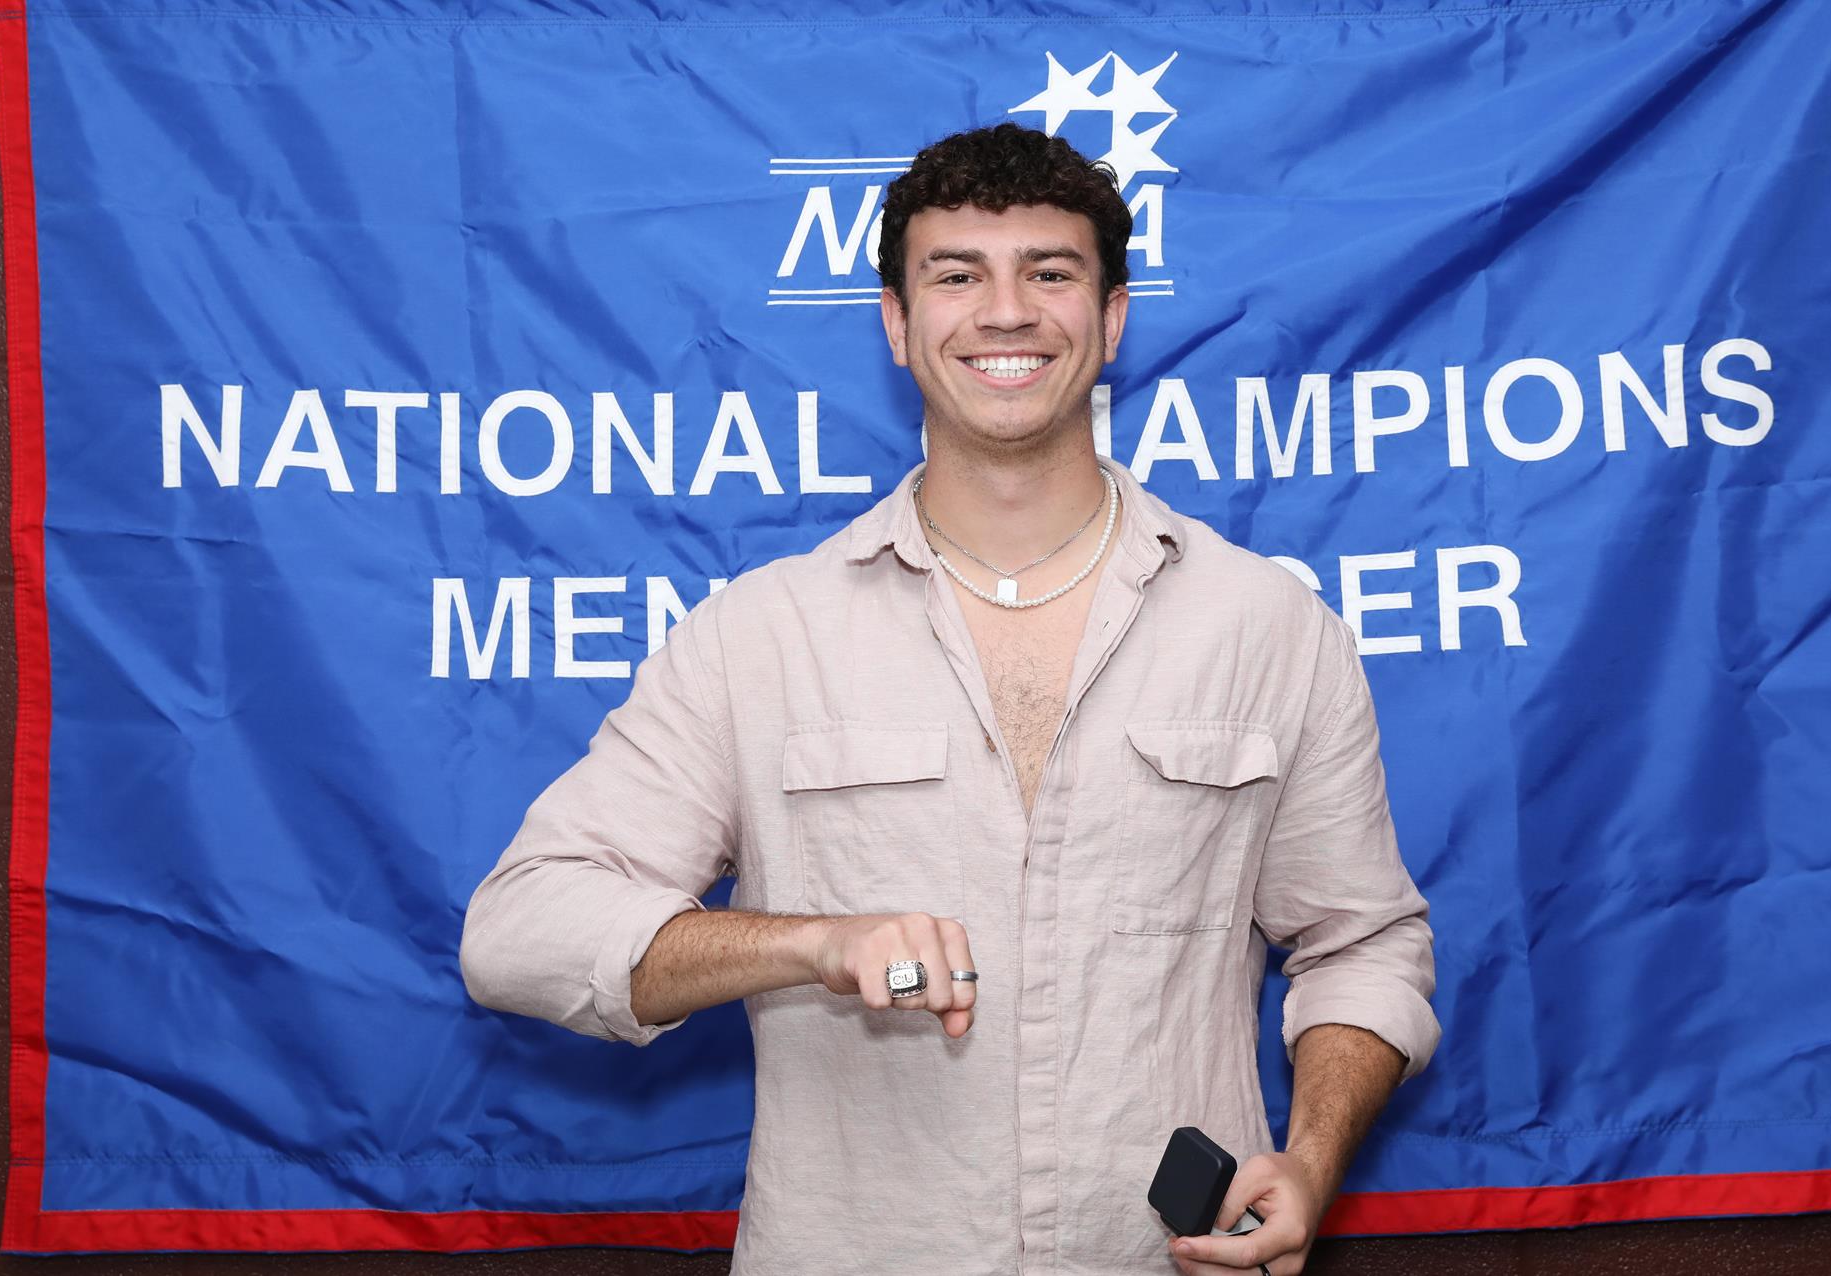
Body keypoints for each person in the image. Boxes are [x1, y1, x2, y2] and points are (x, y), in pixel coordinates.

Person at [460, 122, 1438, 1276]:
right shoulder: (760, 635)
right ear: (896, 321)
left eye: (1050, 272)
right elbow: (517, 932)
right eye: (957, 275)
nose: (1006, 312)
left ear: (1112, 316)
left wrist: (1312, 1156)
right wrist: (811, 943)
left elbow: (1362, 944)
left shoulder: (1269, 628)